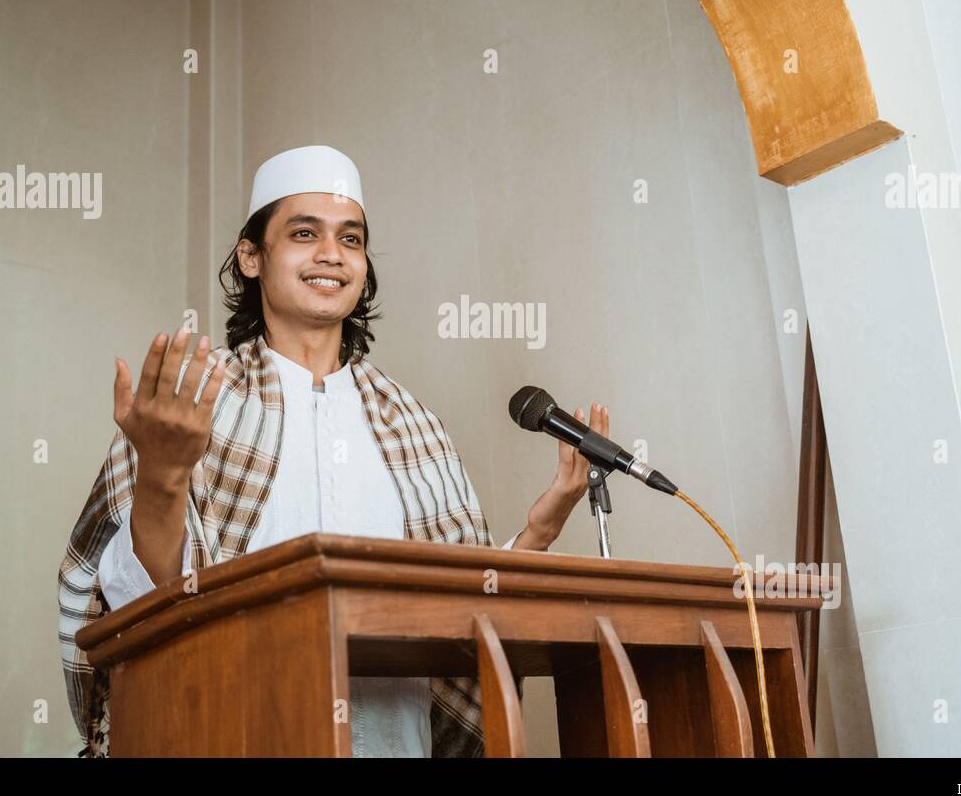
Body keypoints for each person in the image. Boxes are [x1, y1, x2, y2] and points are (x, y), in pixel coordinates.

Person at [58, 144, 609, 756]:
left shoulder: (412, 424)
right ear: (251, 257)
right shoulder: (196, 398)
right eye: (303, 233)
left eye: (351, 239)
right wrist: (162, 473)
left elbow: (461, 611)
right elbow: (145, 611)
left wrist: (535, 537)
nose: (331, 254)